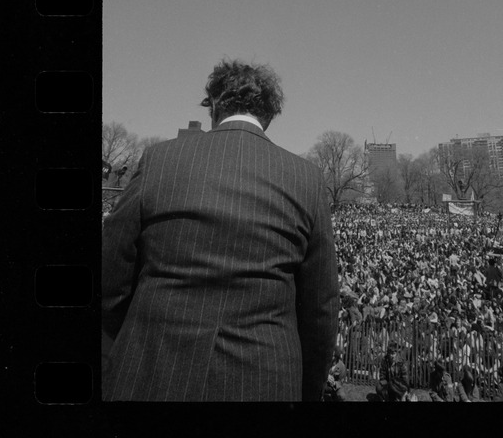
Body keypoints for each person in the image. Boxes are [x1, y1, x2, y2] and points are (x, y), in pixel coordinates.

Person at [102, 59, 340, 401]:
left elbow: (110, 276)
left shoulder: (159, 159)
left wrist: (136, 338)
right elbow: (321, 309)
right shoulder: (306, 178)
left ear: (214, 105)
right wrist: (307, 388)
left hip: (150, 372)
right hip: (264, 381)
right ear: (269, 116)